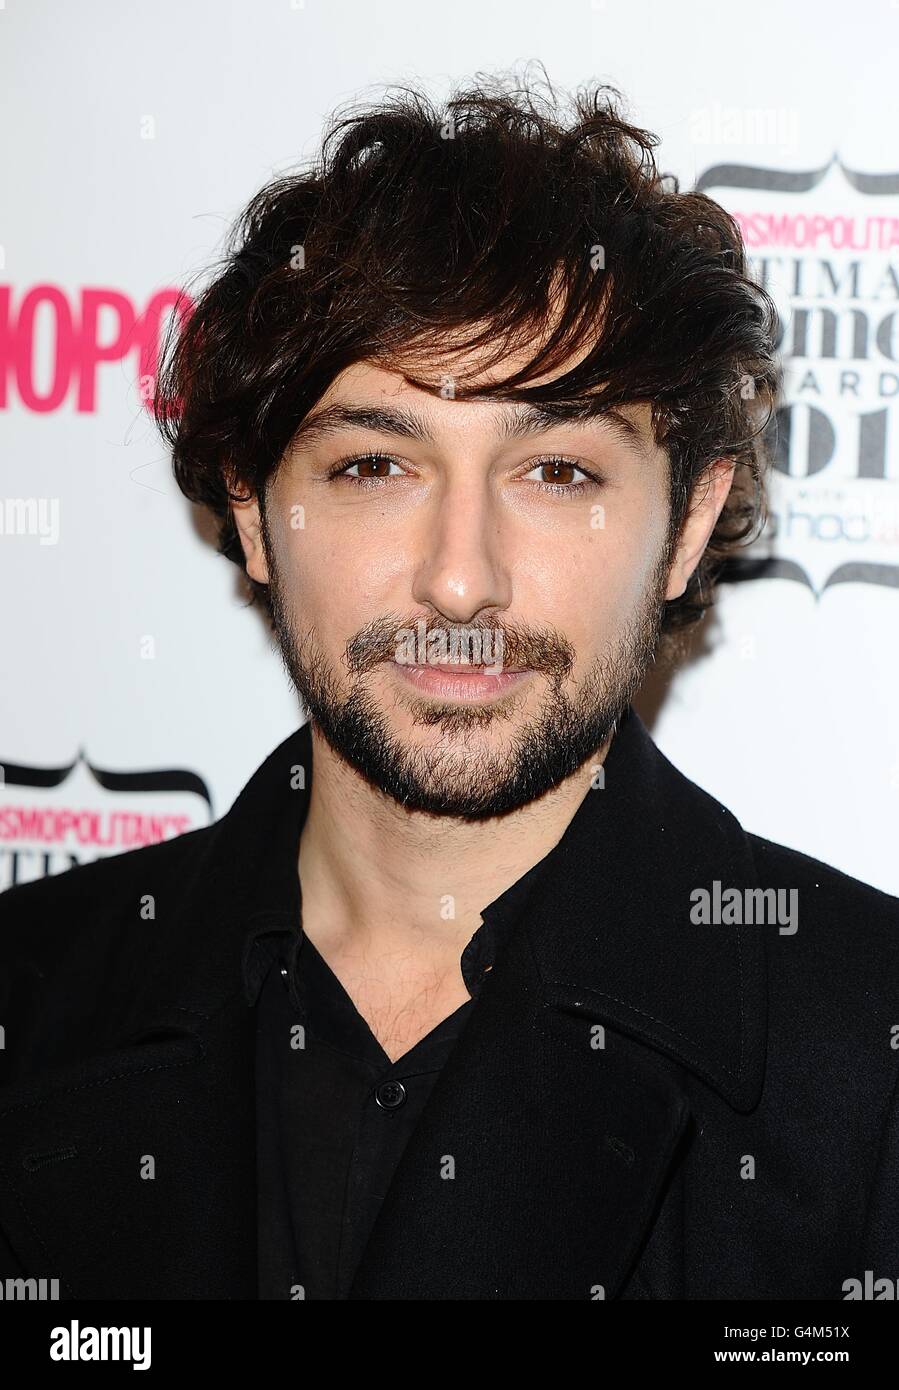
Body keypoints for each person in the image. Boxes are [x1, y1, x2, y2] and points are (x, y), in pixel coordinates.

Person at [1, 74, 897, 1302]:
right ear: (255, 513)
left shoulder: (866, 1051)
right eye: (375, 464)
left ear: (686, 523)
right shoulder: (33, 993)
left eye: (558, 472)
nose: (460, 581)